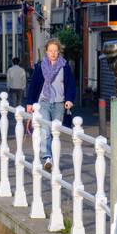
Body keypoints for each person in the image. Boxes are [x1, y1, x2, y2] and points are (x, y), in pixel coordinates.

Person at [26, 38, 77, 171]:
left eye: (55, 51)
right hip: (44, 101)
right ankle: (47, 156)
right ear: (46, 52)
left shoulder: (64, 67)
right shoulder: (40, 67)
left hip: (59, 103)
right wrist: (30, 103)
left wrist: (70, 99)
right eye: (50, 51)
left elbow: (71, 85)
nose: (53, 53)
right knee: (45, 130)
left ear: (59, 51)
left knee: (55, 132)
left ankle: (54, 156)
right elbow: (33, 86)